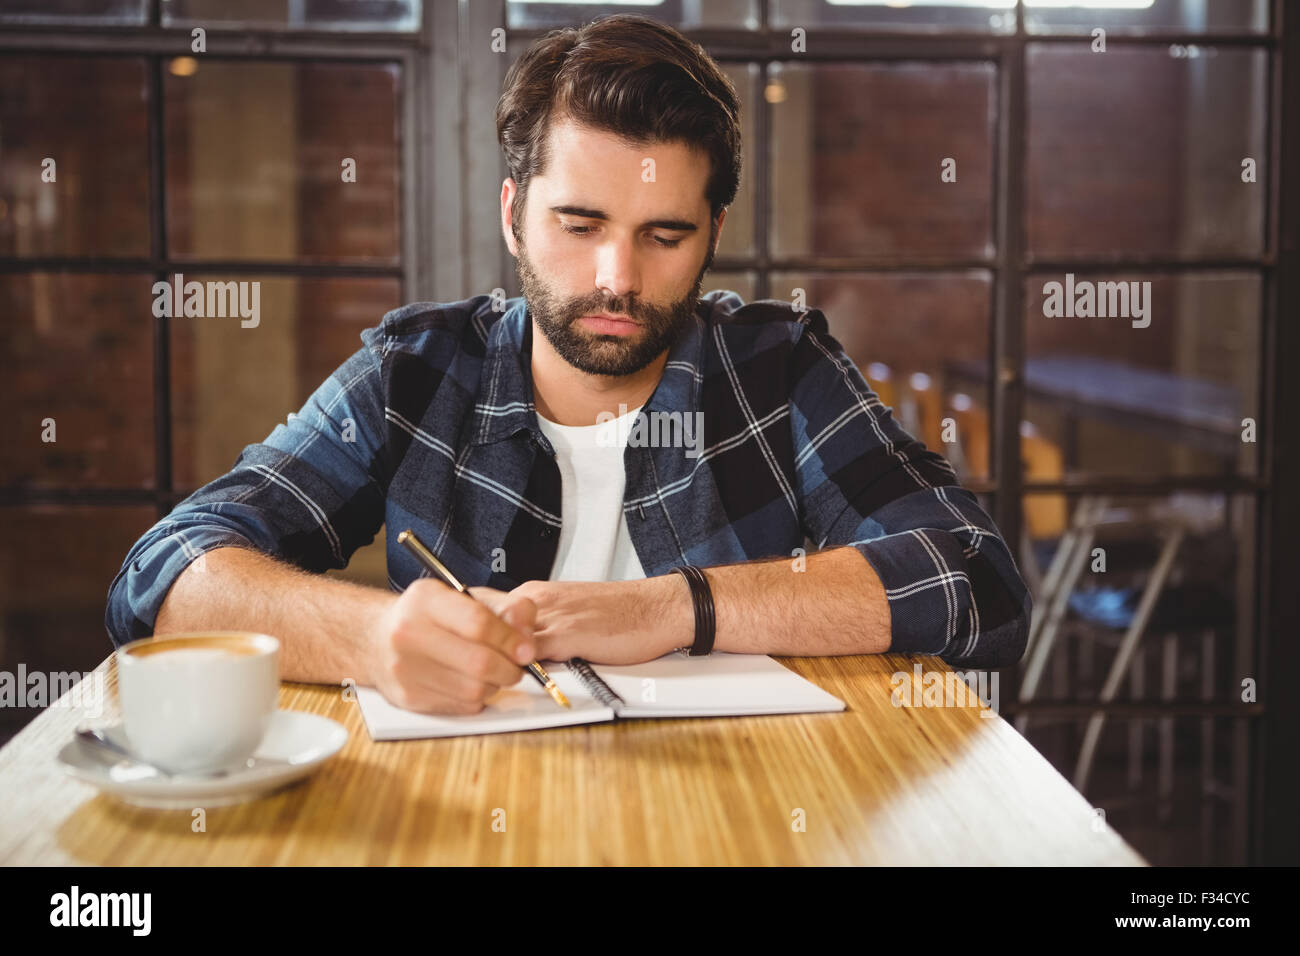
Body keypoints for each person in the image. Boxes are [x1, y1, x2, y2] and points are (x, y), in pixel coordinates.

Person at [106, 14, 1031, 716]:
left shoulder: (778, 367)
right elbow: (163, 577)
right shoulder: (417, 371)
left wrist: (679, 609)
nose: (616, 279)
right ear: (514, 214)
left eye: (664, 236)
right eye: (579, 226)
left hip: (748, 821)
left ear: (712, 233)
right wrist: (377, 635)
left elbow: (976, 582)